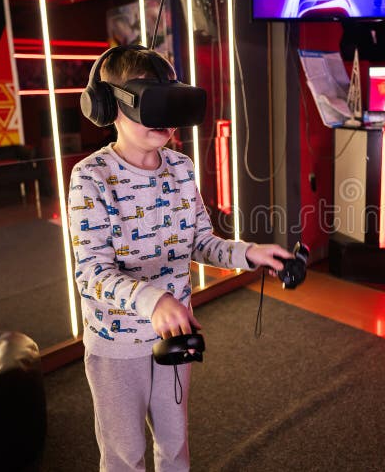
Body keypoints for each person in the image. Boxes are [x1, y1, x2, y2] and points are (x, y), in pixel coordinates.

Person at [67, 47, 292, 472]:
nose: (165, 116)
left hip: (175, 333)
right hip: (116, 346)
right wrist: (153, 300)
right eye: (149, 101)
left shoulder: (182, 168)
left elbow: (200, 242)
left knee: (174, 444)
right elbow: (91, 273)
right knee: (124, 454)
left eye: (171, 99)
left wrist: (248, 253)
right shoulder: (91, 178)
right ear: (108, 105)